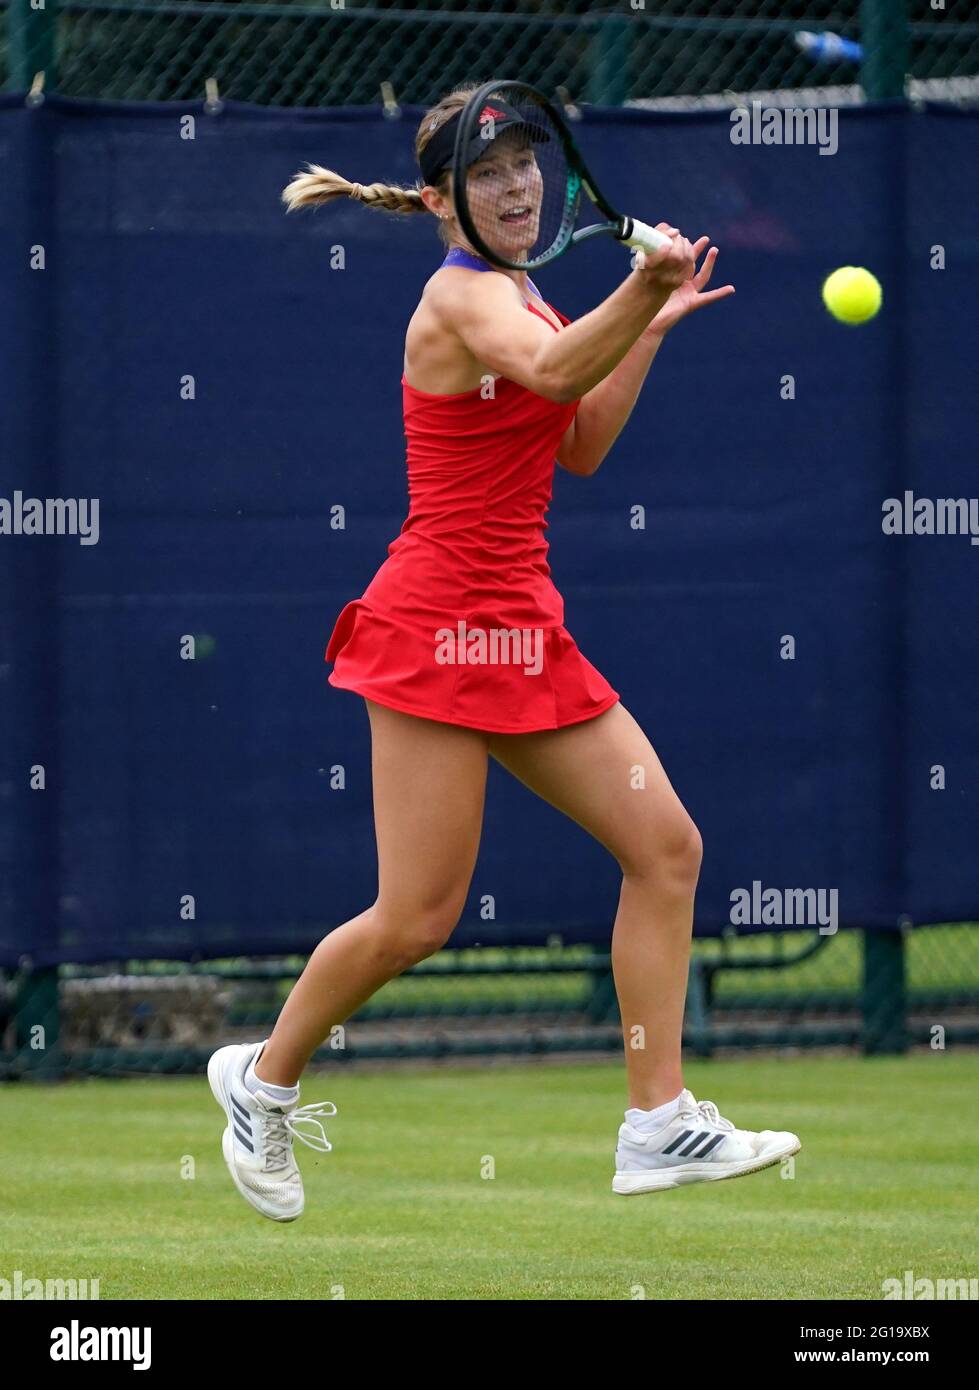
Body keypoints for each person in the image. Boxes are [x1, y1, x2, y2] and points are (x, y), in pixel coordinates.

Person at [207, 83, 800, 1221]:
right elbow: (559, 371)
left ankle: (656, 1121)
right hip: (434, 628)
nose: (519, 185)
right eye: (488, 174)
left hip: (523, 628)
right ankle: (262, 1077)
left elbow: (575, 439)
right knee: (418, 917)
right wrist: (638, 288)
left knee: (666, 847)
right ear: (441, 200)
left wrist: (650, 329)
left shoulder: (525, 292)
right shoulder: (460, 300)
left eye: (527, 164)